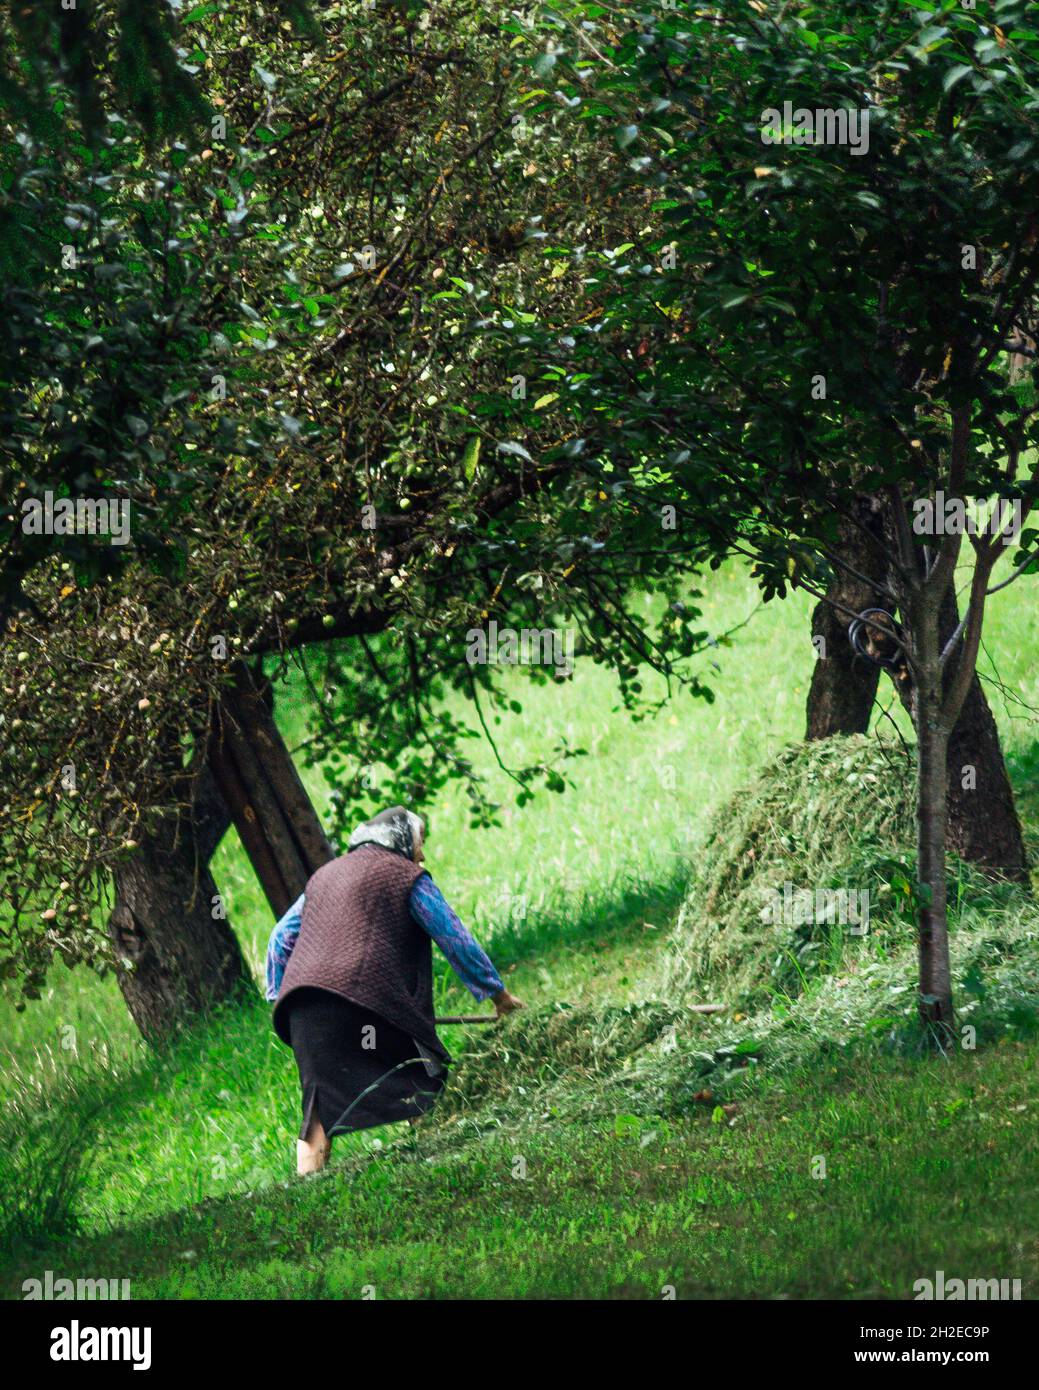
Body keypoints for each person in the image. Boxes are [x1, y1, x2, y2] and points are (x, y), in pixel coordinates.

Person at [266, 806, 523, 1175]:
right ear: (401, 841)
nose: (422, 855)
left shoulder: (323, 877)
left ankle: (305, 1198)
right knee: (423, 1080)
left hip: (304, 1009)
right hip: (369, 1004)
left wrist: (282, 1000)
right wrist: (500, 997)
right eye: (420, 844)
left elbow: (278, 941)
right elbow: (454, 937)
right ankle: (440, 1170)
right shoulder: (406, 876)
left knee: (317, 1114)